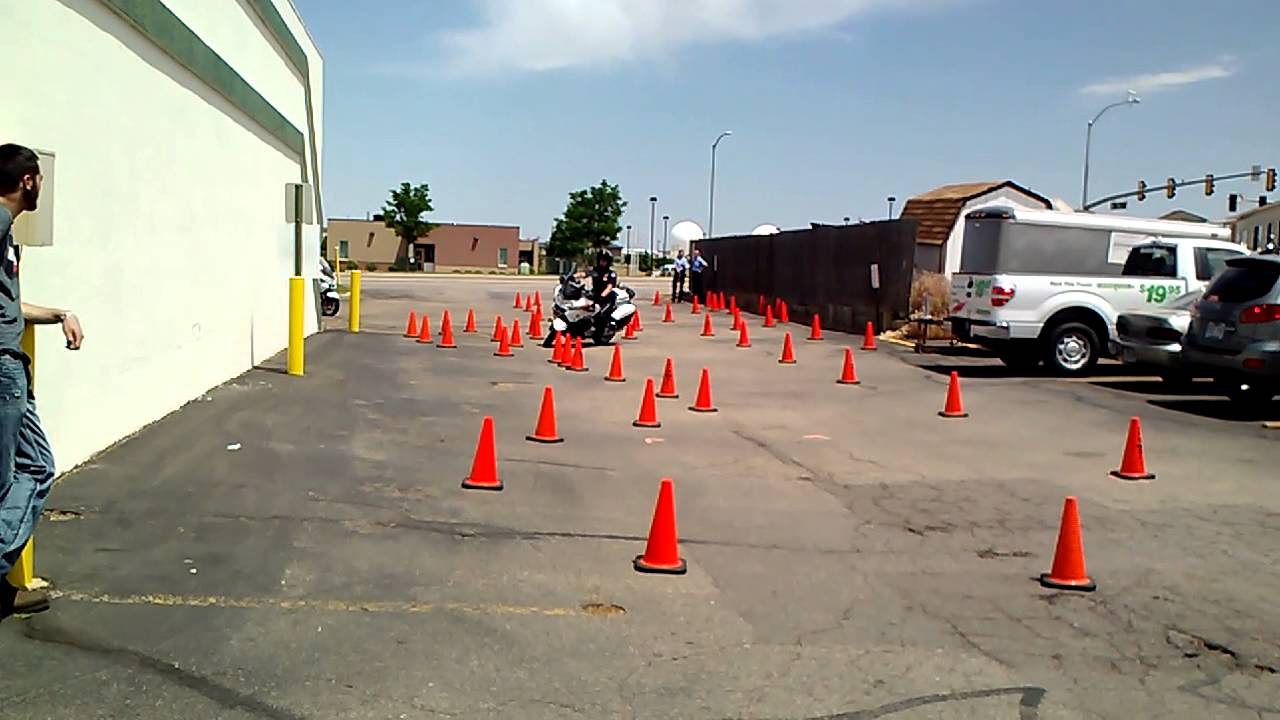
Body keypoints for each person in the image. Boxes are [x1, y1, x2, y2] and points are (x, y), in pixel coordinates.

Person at [0, 144, 84, 622]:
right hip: (2, 371)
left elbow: (9, 305)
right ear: (29, 181)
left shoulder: (9, 238)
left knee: (34, 466)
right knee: (20, 474)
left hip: (13, 370)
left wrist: (59, 313)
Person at [588, 251, 619, 332]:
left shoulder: (611, 274)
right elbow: (583, 274)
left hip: (607, 298)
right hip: (595, 295)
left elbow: (609, 287)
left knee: (601, 314)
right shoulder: (595, 270)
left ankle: (609, 325)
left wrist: (602, 296)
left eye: (604, 260)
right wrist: (571, 277)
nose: (602, 262)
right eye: (601, 260)